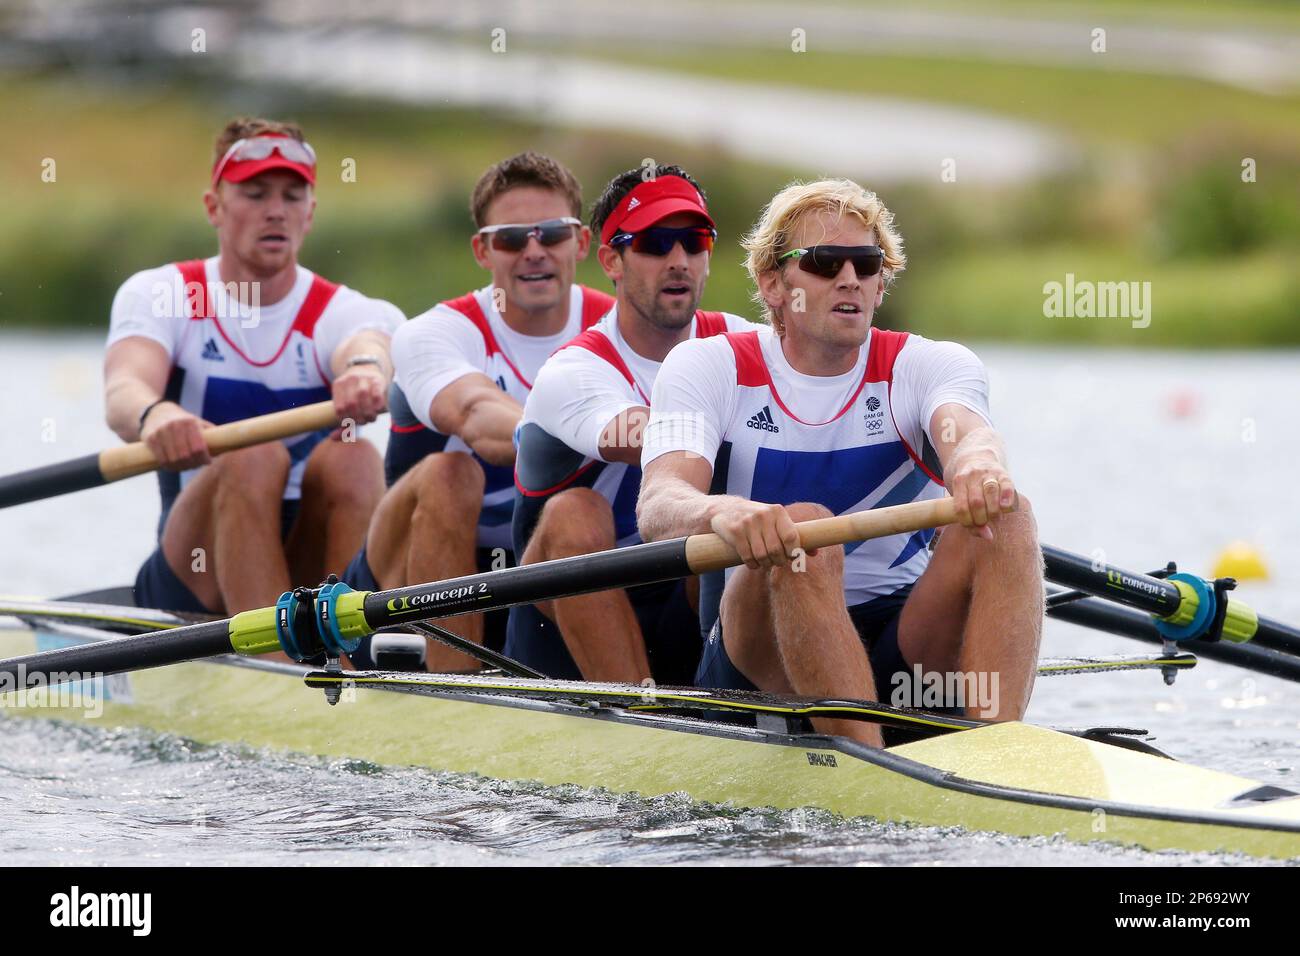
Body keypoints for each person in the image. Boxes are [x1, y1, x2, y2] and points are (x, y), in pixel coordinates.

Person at [637, 178, 1044, 747]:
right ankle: (864, 759)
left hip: (903, 647)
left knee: (1007, 512)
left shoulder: (928, 364)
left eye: (866, 263)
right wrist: (726, 514)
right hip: (760, 655)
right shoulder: (708, 366)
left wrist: (979, 467)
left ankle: (1001, 751)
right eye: (824, 262)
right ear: (773, 283)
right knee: (803, 525)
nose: (849, 278)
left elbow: (971, 436)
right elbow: (660, 500)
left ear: (880, 284)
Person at [105, 116, 400, 616]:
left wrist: (365, 371)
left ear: (310, 214)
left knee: (355, 457)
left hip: (304, 557)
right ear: (213, 207)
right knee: (252, 454)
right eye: (255, 194)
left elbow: (368, 344)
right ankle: (275, 667)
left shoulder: (344, 310)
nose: (276, 212)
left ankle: (348, 658)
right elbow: (124, 389)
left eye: (292, 197)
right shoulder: (167, 293)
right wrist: (156, 417)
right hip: (193, 569)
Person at [342, 152, 613, 670]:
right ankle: (455, 690)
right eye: (512, 238)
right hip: (407, 580)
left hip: (540, 566)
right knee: (451, 472)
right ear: (483, 250)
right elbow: (476, 416)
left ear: (580, 242)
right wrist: (597, 429)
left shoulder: (624, 329)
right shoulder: (435, 333)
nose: (534, 251)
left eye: (551, 234)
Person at [508, 165, 755, 683]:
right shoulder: (573, 371)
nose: (679, 262)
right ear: (611, 261)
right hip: (560, 620)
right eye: (656, 244)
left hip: (682, 599)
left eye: (694, 241)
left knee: (749, 521)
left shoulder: (741, 341)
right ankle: (639, 713)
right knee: (576, 511)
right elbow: (644, 435)